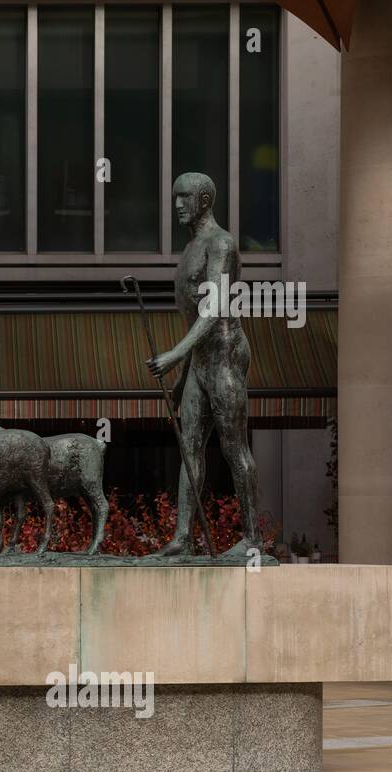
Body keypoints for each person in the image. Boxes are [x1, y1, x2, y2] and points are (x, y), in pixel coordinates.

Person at [146, 172, 259, 557]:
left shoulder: (221, 244)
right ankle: (182, 537)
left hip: (225, 356)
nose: (176, 204)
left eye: (184, 197)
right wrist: (183, 373)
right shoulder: (192, 246)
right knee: (189, 447)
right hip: (199, 362)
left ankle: (252, 540)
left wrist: (175, 353)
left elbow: (213, 308)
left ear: (206, 200)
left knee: (234, 449)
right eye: (174, 196)